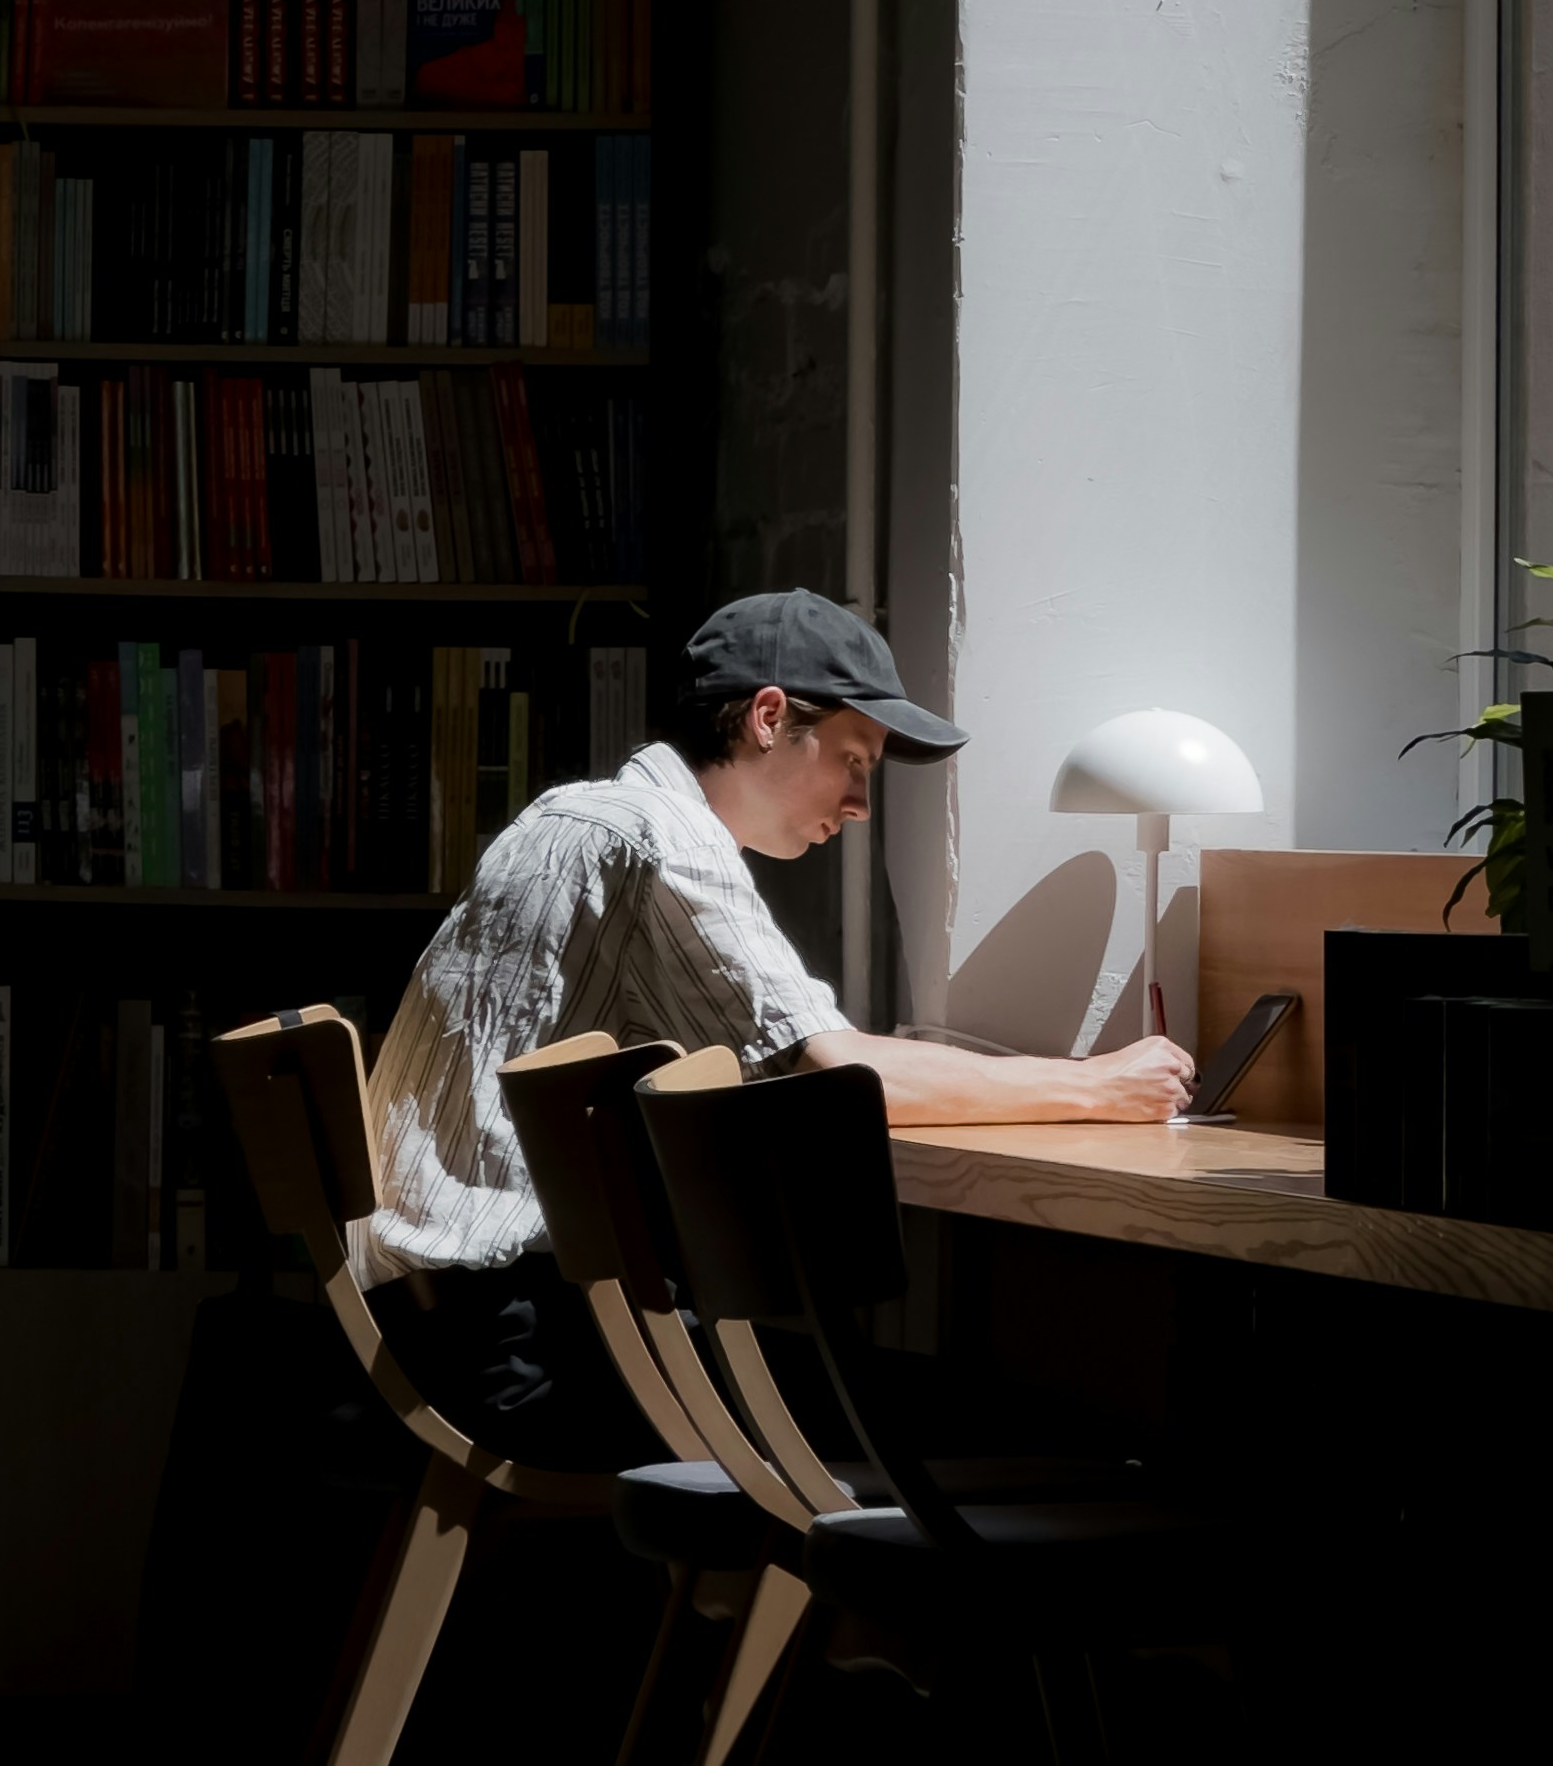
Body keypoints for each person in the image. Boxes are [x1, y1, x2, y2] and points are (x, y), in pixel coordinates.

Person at [356, 589, 1193, 1457]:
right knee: (1043, 1435)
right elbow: (829, 1073)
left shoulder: (572, 814)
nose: (862, 803)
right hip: (525, 1347)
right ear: (766, 717)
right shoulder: (659, 839)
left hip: (438, 1318)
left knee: (948, 1402)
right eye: (855, 759)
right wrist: (1096, 1085)